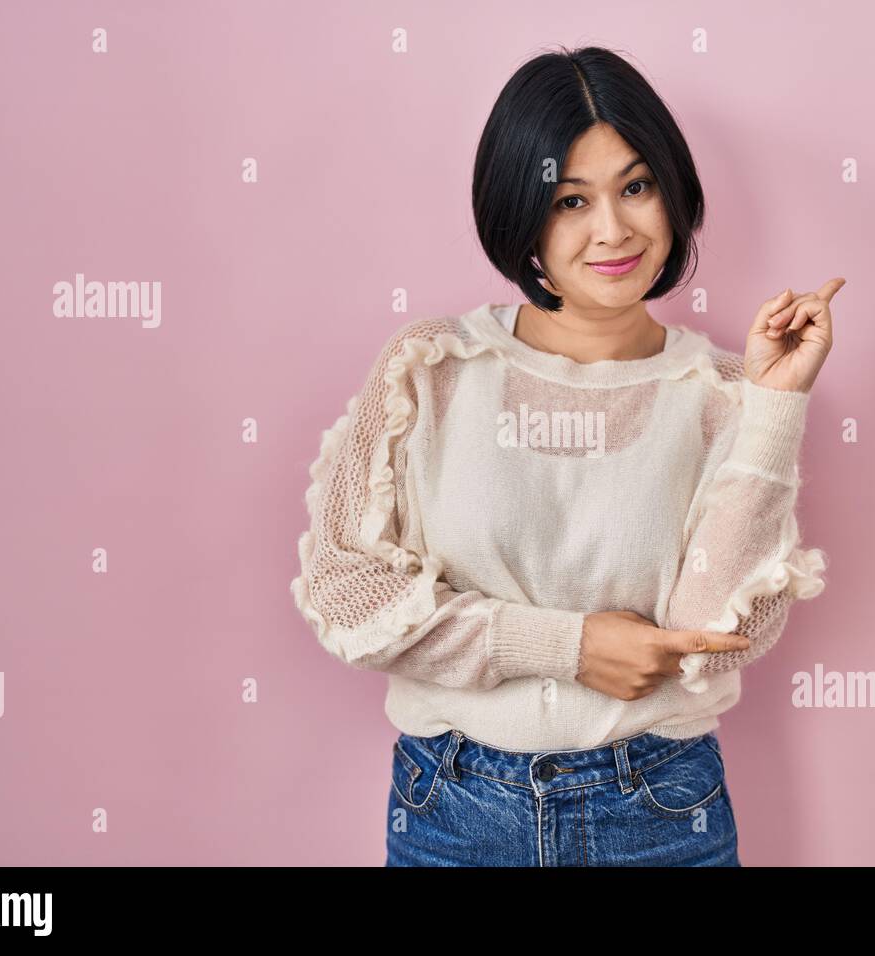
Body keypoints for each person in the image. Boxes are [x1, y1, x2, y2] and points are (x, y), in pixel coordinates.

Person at [291, 44, 842, 866]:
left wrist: (775, 405)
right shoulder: (434, 368)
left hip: (660, 804)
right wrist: (569, 646)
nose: (613, 230)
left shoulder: (725, 391)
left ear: (673, 191)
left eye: (636, 187)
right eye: (570, 200)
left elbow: (715, 634)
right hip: (453, 806)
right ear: (519, 213)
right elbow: (346, 593)